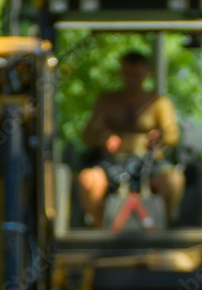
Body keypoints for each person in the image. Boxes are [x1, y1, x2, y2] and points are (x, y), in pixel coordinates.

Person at [78, 51, 184, 227]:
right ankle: (100, 231)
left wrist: (158, 137)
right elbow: (87, 134)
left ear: (146, 73)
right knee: (88, 180)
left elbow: (172, 136)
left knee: (173, 181)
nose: (131, 79)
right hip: (112, 161)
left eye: (136, 74)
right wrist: (103, 138)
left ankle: (162, 228)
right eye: (127, 74)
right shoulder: (107, 101)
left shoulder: (158, 102)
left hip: (149, 161)